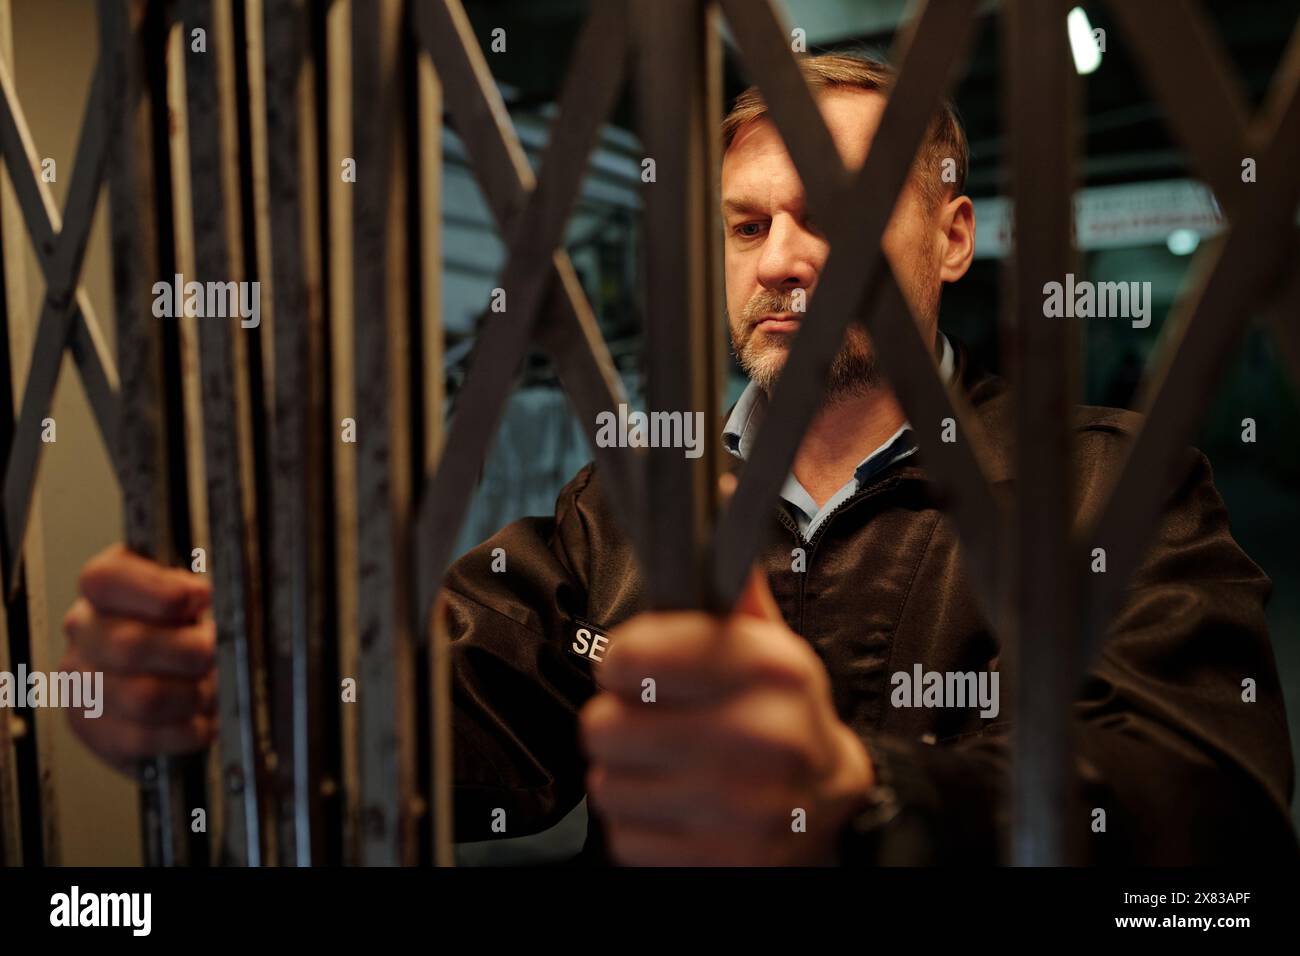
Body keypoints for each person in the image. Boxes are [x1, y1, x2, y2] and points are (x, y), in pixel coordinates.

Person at [61, 54, 1297, 865]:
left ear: (954, 234)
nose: (782, 260)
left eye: (841, 212)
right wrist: (252, 679)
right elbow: (465, 687)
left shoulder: (1105, 485)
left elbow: (1203, 797)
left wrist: (862, 798)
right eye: (746, 224)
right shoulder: (635, 505)